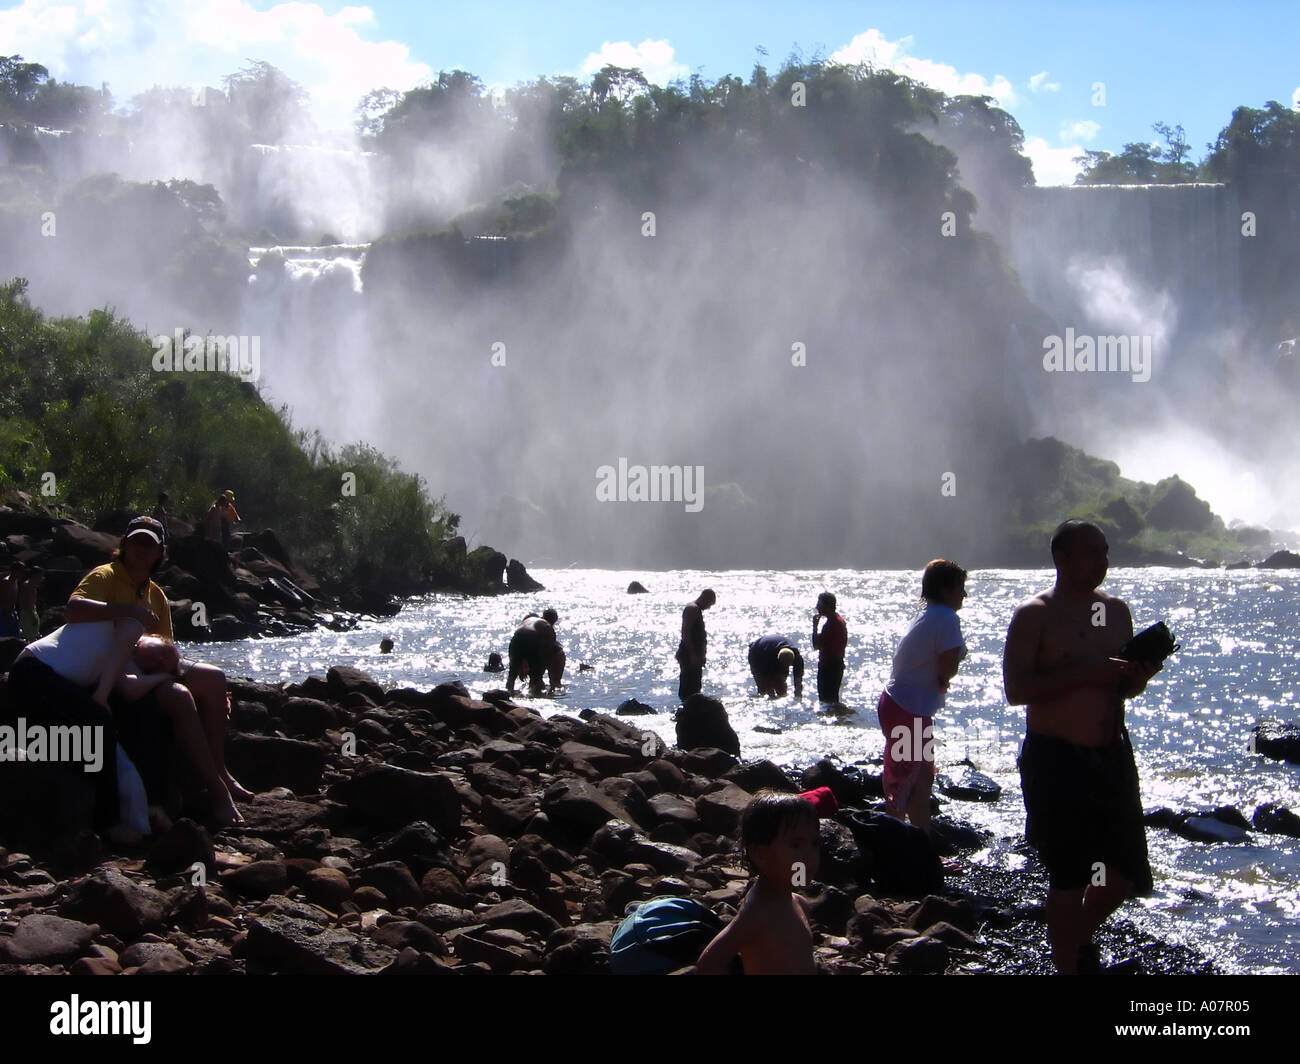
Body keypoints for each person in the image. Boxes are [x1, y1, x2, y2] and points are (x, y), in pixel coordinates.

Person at [1003, 519, 1160, 975]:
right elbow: (1017, 690)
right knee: (1070, 877)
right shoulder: (1035, 614)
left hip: (1110, 754)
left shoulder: (1116, 611)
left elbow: (1122, 689)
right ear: (1062, 558)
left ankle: (1074, 938)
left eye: (1106, 552)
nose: (1102, 561)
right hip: (1057, 758)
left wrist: (1137, 679)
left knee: (1122, 875)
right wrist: (1088, 672)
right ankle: (1067, 964)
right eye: (1091, 552)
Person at [64, 515, 249, 825]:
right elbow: (72, 609)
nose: (141, 550)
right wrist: (126, 612)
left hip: (150, 662)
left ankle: (221, 770)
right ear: (124, 545)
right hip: (113, 668)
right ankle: (219, 794)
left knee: (214, 679)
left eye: (149, 545)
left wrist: (189, 677)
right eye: (136, 542)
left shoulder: (156, 594)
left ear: (160, 552)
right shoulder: (104, 576)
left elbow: (167, 647)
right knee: (178, 696)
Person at [7, 617, 168, 843]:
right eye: (162, 650)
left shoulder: (125, 658)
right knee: (99, 721)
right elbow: (77, 606)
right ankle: (109, 823)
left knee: (95, 738)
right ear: (152, 637)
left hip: (49, 684)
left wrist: (165, 674)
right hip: (33, 670)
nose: (159, 657)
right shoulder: (125, 626)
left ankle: (121, 820)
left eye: (163, 660)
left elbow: (131, 687)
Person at [877, 559, 968, 836]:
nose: (964, 595)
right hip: (909, 708)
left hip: (896, 702)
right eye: (960, 588)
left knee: (913, 773)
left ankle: (914, 839)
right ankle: (912, 844)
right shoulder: (947, 617)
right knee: (915, 780)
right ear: (945, 589)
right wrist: (944, 679)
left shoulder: (924, 614)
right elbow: (948, 665)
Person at [694, 792, 819, 975]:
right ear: (760, 854)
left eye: (815, 843)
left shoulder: (799, 903)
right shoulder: (759, 913)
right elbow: (709, 963)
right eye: (796, 845)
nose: (809, 855)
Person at [675, 589, 715, 700]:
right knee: (689, 688)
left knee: (694, 687)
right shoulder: (692, 609)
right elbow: (686, 633)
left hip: (694, 656)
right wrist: (692, 655)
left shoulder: (695, 610)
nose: (709, 607)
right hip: (690, 656)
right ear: (705, 598)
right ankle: (687, 711)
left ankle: (690, 709)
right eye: (709, 604)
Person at [507, 612, 556, 697]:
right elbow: (549, 657)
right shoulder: (548, 627)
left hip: (517, 636)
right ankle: (534, 697)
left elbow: (519, 651)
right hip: (532, 638)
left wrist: (518, 667)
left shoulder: (529, 620)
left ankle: (507, 696)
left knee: (512, 675)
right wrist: (552, 682)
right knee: (535, 678)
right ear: (553, 622)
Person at [811, 592, 847, 707]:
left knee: (826, 701)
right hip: (835, 664)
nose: (817, 607)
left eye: (819, 604)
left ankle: (831, 722)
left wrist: (815, 627)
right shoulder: (837, 620)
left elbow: (816, 645)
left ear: (827, 605)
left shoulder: (832, 623)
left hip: (829, 665)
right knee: (832, 700)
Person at [748, 634, 804, 699]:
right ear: (778, 659)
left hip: (772, 649)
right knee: (763, 688)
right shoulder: (770, 658)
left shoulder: (798, 658)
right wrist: (770, 693)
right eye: (783, 667)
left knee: (781, 688)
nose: (785, 669)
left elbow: (798, 680)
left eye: (787, 667)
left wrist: (798, 696)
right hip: (757, 652)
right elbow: (767, 677)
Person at [18, 566, 44, 642]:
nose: (42, 578)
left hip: (29, 611)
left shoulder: (28, 585)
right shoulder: (29, 586)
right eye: (40, 576)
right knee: (31, 638)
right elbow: (28, 602)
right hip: (28, 613)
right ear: (36, 575)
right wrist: (32, 615)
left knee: (33, 635)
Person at [0, 560, 23, 638]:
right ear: (15, 571)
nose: (22, 574)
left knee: (16, 635)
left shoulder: (15, 581)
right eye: (20, 572)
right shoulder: (5, 582)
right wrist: (8, 612)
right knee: (4, 635)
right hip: (4, 612)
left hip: (12, 611)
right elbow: (4, 599)